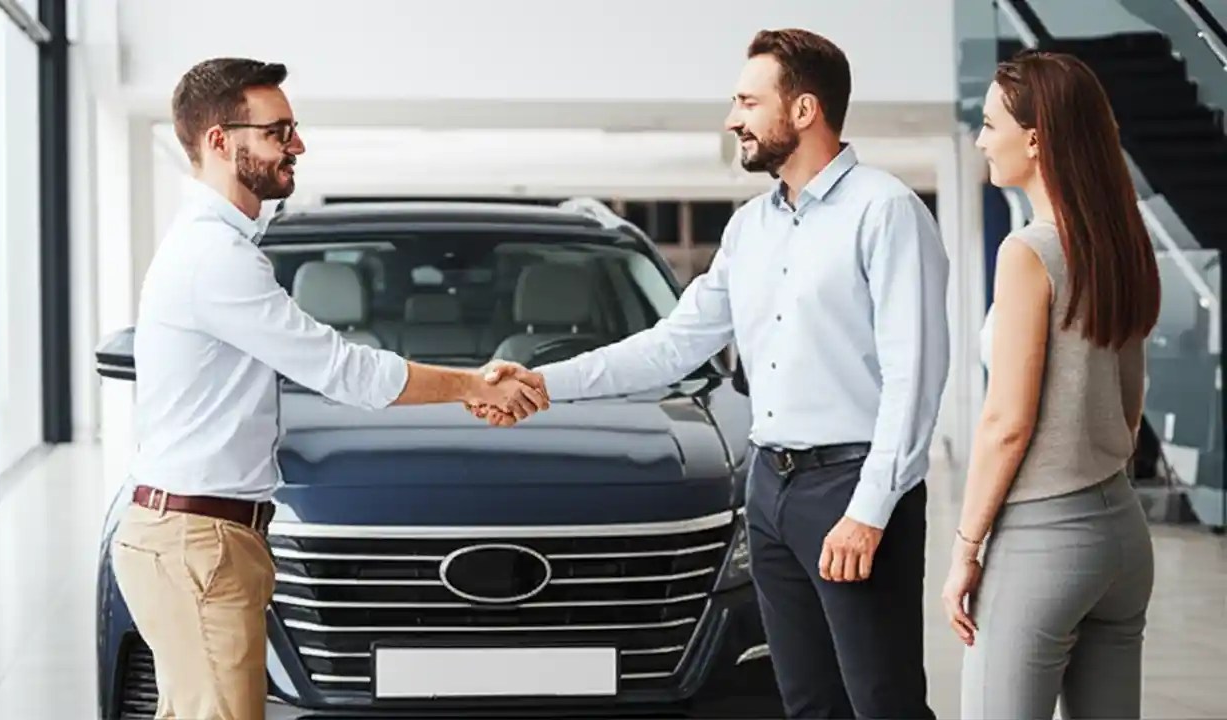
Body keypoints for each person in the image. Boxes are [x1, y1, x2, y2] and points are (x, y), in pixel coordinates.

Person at [477, 28, 949, 719]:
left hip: (850, 485)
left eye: (748, 102)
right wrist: (546, 384)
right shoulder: (750, 227)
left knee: (884, 702)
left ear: (805, 110)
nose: (733, 120)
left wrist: (869, 511)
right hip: (770, 488)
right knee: (807, 703)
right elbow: (673, 346)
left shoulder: (885, 211)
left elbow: (915, 376)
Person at [109, 57, 548, 720]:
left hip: (199, 538)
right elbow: (341, 370)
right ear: (220, 141)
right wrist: (468, 385)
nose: (298, 145)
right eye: (278, 131)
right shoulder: (215, 257)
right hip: (198, 543)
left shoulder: (214, 247)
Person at [941, 50, 1160, 720]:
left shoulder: (1028, 252)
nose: (981, 140)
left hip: (1043, 540)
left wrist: (965, 547)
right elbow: (1130, 405)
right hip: (1121, 534)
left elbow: (1007, 422)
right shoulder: (1118, 243)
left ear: (1034, 139)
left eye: (990, 125)